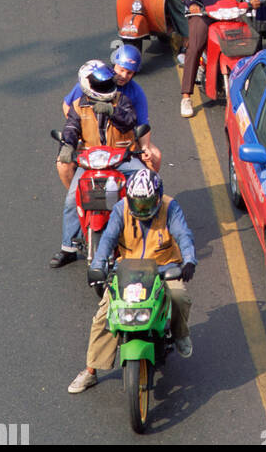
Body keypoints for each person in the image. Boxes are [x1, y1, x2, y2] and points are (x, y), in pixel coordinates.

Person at [67, 169, 196, 394]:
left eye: (147, 203)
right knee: (104, 314)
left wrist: (189, 261)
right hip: (128, 271)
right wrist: (97, 267)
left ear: (157, 196)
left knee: (179, 297)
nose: (142, 209)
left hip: (163, 270)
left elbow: (183, 235)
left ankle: (180, 334)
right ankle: (90, 371)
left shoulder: (170, 207)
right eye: (138, 203)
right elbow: (107, 239)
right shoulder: (121, 209)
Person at [52, 60, 146, 268]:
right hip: (91, 162)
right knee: (71, 200)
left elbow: (130, 121)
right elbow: (70, 128)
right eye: (100, 85)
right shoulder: (78, 107)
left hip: (122, 159)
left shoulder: (122, 100)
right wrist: (67, 146)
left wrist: (114, 113)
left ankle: (150, 236)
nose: (106, 88)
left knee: (148, 184)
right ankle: (68, 247)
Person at [179, 0, 261, 119]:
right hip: (204, 14)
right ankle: (186, 96)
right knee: (195, 46)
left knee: (251, 42)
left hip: (229, 13)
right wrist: (191, 4)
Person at [61, 46, 161, 174]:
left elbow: (142, 123)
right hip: (90, 138)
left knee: (155, 156)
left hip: (121, 140)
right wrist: (78, 133)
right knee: (63, 165)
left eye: (129, 73)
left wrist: (145, 147)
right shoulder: (92, 82)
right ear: (114, 66)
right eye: (121, 70)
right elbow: (68, 107)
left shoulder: (135, 92)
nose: (124, 76)